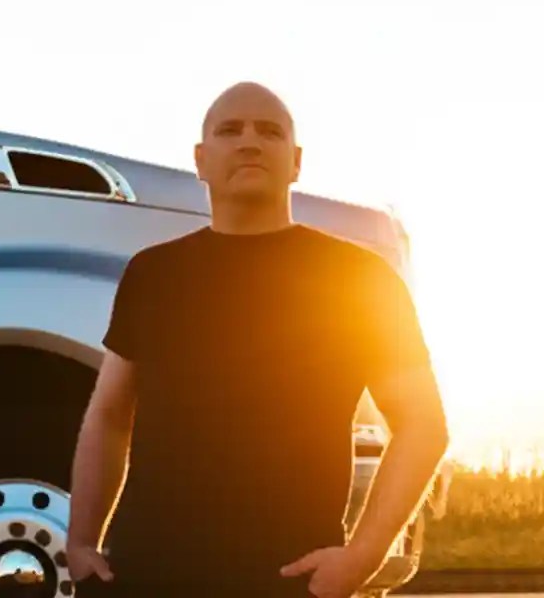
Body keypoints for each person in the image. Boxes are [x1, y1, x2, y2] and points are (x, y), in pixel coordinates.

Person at [65, 81, 449, 597]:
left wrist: (363, 555)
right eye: (230, 130)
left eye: (269, 132)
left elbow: (423, 423)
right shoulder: (152, 273)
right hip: (147, 574)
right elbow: (110, 415)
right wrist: (81, 541)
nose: (250, 142)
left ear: (296, 162)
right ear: (200, 160)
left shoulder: (359, 278)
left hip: (289, 577)